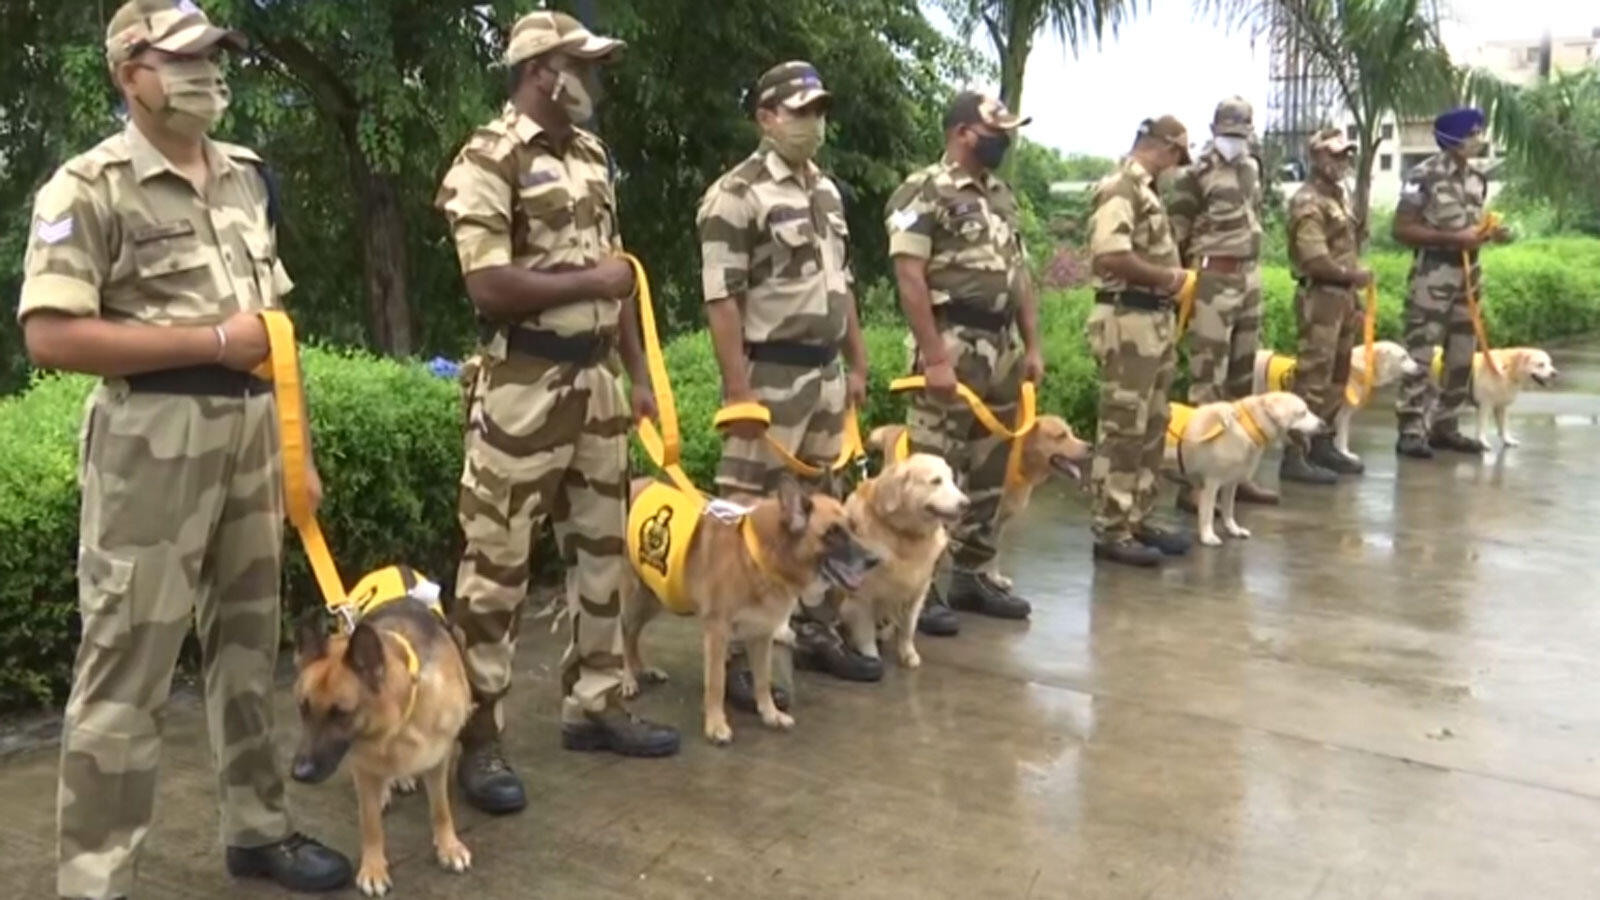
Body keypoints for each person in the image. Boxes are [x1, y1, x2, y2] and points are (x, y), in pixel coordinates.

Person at [19, 1, 352, 896]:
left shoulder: (245, 177)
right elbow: (51, 337)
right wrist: (211, 343)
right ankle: (96, 880)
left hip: (251, 437)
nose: (210, 71)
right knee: (127, 667)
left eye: (217, 55)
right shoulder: (86, 188)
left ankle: (259, 831)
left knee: (250, 649)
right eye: (187, 57)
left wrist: (299, 450)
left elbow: (273, 330)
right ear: (132, 74)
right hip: (150, 445)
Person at [435, 9, 680, 817]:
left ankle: (598, 703)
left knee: (603, 551)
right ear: (544, 70)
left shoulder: (591, 157)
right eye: (587, 66)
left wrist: (639, 373)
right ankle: (475, 738)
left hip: (599, 384)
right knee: (496, 567)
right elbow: (488, 286)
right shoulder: (488, 156)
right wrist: (588, 286)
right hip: (523, 386)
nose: (597, 81)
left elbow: (621, 277)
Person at [697, 61, 879, 688]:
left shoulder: (825, 191)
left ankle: (813, 631)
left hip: (826, 377)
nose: (813, 124)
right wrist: (737, 390)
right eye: (800, 112)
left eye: (819, 112)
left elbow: (842, 282)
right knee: (746, 516)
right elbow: (722, 297)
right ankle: (735, 662)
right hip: (769, 375)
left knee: (827, 516)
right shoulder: (736, 194)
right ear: (767, 117)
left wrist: (856, 361)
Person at [884, 92, 1043, 634]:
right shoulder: (923, 190)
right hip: (949, 341)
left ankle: (972, 574)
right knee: (932, 474)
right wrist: (933, 357)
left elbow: (1019, 276)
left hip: (1000, 348)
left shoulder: (1002, 196)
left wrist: (1033, 346)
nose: (1003, 140)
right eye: (992, 130)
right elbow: (909, 276)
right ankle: (920, 589)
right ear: (960, 131)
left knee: (990, 470)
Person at [1085, 116, 1195, 568]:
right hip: (1127, 317)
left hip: (1153, 320)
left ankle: (1138, 515)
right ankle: (1111, 526)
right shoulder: (1121, 188)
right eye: (1176, 156)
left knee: (1153, 423)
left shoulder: (1148, 192)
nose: (1176, 167)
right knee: (1123, 427)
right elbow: (1111, 255)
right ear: (1164, 148)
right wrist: (1169, 277)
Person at [1167, 97, 1278, 505]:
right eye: (1229, 132)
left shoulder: (1252, 166)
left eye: (1242, 132)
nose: (1236, 140)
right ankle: (1196, 484)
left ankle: (1236, 476)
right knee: (1206, 380)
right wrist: (1181, 286)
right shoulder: (1195, 174)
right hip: (1212, 276)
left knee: (1242, 379)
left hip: (1249, 276)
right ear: (1214, 129)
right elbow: (1176, 233)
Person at [1392, 106, 1514, 458]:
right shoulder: (1423, 175)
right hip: (1433, 276)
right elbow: (1402, 229)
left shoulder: (1478, 179)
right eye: (1471, 133)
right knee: (1420, 352)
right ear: (1452, 138)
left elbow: (1474, 226)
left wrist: (1491, 234)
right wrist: (1450, 238)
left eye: (1478, 132)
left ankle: (1445, 426)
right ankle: (1411, 429)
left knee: (1462, 356)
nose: (1477, 139)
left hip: (1469, 279)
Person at [1282, 128, 1370, 482]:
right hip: (1320, 296)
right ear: (1316, 157)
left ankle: (1322, 442)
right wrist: (1353, 277)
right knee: (1312, 377)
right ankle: (1295, 453)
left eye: (1346, 155)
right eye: (1334, 155)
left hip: (1343, 298)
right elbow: (1315, 260)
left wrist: (1355, 293)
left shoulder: (1339, 198)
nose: (1342, 161)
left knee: (1338, 374)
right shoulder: (1308, 201)